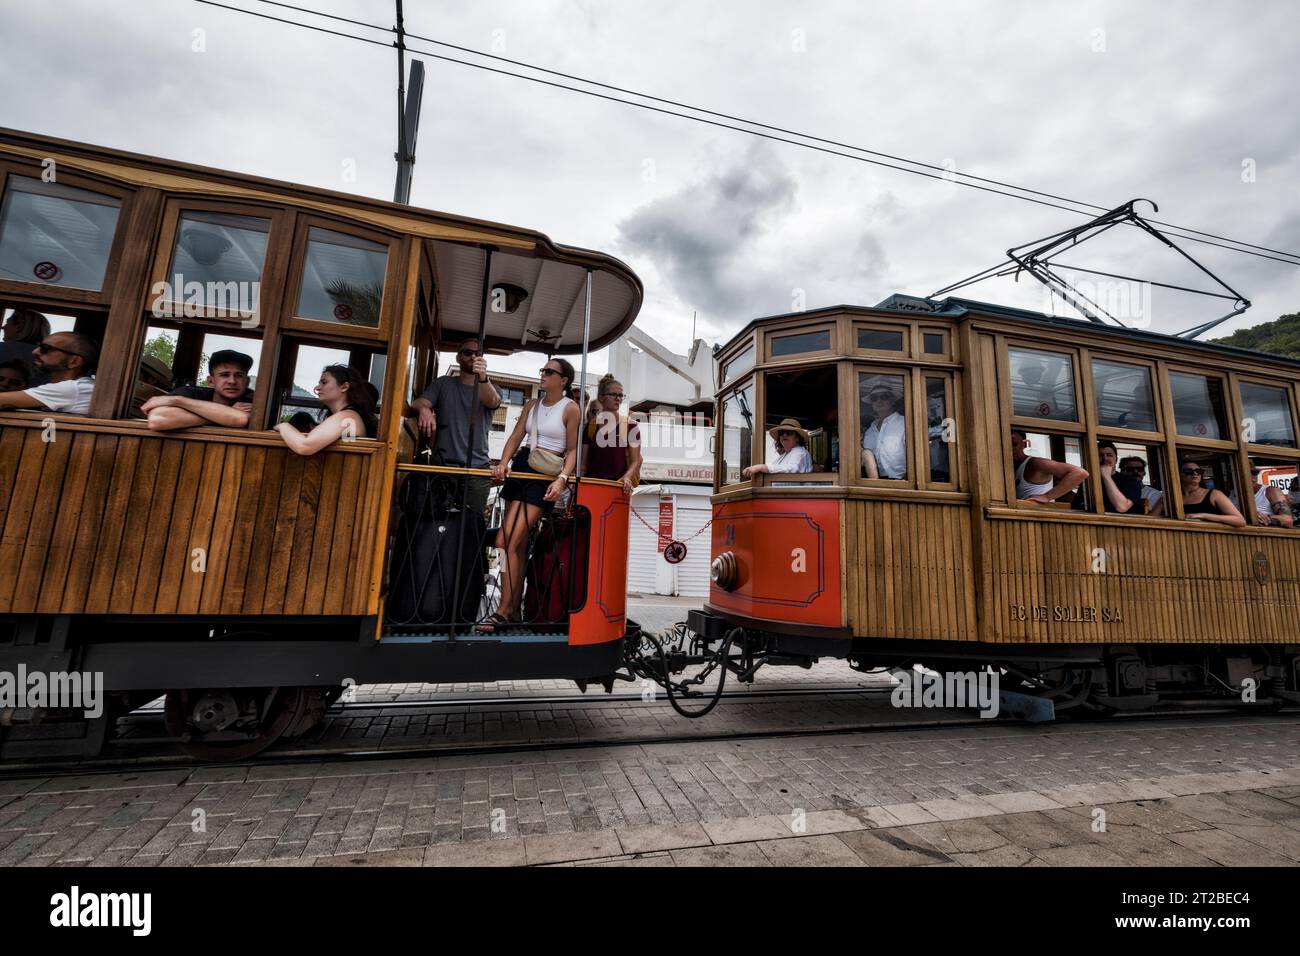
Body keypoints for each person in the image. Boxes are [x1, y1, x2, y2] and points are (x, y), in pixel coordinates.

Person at [484, 357, 580, 631]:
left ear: (563, 381)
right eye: (543, 370)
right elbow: (515, 437)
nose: (543, 374)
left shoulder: (571, 408)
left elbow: (572, 450)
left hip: (545, 472)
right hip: (523, 465)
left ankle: (505, 609)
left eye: (550, 372)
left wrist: (562, 479)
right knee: (507, 541)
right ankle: (511, 608)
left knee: (510, 541)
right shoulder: (532, 405)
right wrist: (503, 462)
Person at [408, 338, 500, 515]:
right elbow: (418, 403)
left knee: (473, 524)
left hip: (477, 468)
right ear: (458, 358)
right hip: (444, 465)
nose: (473, 357)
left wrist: (483, 377)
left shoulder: (491, 388)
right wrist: (425, 410)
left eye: (477, 353)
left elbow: (493, 401)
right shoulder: (444, 383)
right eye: (467, 353)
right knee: (436, 519)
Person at [141, 349, 254, 430]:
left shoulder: (252, 399)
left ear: (247, 382)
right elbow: (158, 420)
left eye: (239, 375)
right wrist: (226, 416)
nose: (232, 381)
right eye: (225, 375)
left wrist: (177, 401)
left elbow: (240, 419)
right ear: (210, 381)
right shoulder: (190, 393)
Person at [275, 364, 376, 455]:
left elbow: (304, 446)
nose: (317, 388)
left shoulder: (347, 417)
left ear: (344, 387)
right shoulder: (348, 415)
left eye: (324, 382)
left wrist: (283, 425)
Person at [0, 331, 97, 415]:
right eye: (39, 346)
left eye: (45, 348)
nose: (35, 351)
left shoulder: (74, 388)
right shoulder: (79, 387)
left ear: (74, 361)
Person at [581, 373, 641, 494]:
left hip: (618, 486)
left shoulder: (631, 425)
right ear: (601, 397)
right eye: (613, 395)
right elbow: (583, 464)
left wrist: (627, 477)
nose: (618, 398)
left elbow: (636, 460)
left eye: (620, 395)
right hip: (591, 486)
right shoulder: (591, 426)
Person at [1011, 430, 1088, 504]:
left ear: (1024, 445)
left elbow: (1080, 473)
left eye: (1014, 445)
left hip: (1039, 515)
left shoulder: (1036, 463)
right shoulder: (1009, 467)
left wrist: (1047, 497)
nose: (1011, 449)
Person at [1179, 458, 1245, 527]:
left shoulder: (1215, 494)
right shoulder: (1175, 497)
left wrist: (1203, 515)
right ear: (1180, 474)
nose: (1195, 473)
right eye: (1189, 471)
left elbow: (1240, 520)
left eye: (1199, 471)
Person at [862, 383, 906, 479]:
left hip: (903, 483)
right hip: (875, 484)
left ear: (892, 400)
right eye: (874, 398)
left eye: (884, 397)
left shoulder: (905, 423)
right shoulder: (870, 430)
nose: (879, 401)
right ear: (872, 404)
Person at [743, 418, 813, 479]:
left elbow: (791, 468)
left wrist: (762, 467)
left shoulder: (800, 452)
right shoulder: (786, 454)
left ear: (798, 437)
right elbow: (776, 467)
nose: (784, 435)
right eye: (781, 433)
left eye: (789, 433)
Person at [0, 307, 51, 387]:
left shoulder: (1, 349)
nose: (3, 327)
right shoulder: (51, 359)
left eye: (7, 323)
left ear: (19, 327)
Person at [1098, 441, 1144, 514]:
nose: (1105, 458)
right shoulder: (1089, 480)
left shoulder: (1131, 481)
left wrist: (1106, 476)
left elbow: (1122, 507)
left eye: (1109, 455)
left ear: (1116, 459)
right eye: (1100, 455)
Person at [1250, 463, 1293, 528]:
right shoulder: (1232, 492)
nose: (1252, 477)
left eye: (1254, 473)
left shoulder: (1271, 491)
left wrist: (1259, 517)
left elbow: (1287, 520)